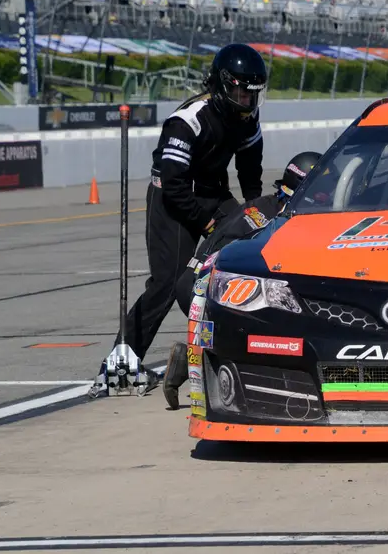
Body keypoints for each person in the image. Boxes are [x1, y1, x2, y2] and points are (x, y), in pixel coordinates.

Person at [93, 43, 269, 396]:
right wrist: (206, 224)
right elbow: (173, 183)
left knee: (252, 246)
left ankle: (250, 343)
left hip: (212, 192)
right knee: (169, 283)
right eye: (241, 93)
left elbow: (251, 174)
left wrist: (255, 215)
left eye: (253, 95)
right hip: (172, 199)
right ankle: (120, 361)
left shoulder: (248, 119)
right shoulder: (187, 121)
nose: (247, 102)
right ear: (222, 86)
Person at [162, 151, 323, 408]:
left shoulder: (262, 204)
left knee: (226, 332)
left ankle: (188, 359)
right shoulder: (279, 220)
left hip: (192, 279)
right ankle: (194, 365)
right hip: (202, 285)